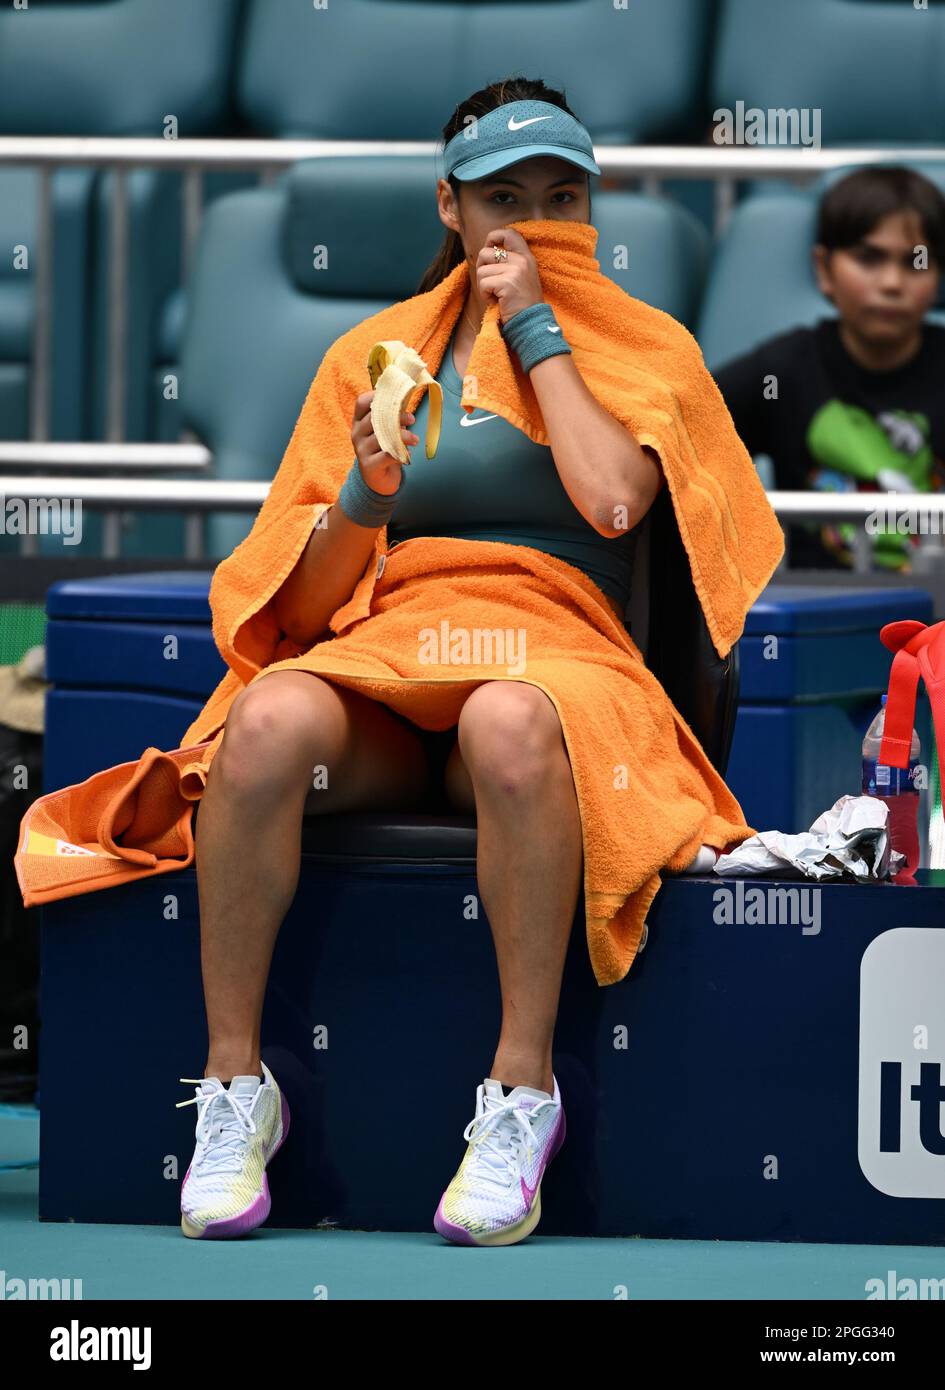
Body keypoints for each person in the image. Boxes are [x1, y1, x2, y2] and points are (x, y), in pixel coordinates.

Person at [176, 76, 742, 1248]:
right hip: (395, 650)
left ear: (592, 205)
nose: (531, 221)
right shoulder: (367, 357)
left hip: (557, 650)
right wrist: (367, 490)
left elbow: (611, 501)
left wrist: (536, 327)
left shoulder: (647, 348)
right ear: (450, 205)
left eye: (561, 195)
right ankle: (236, 1092)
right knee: (268, 720)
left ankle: (520, 1097)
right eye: (503, 199)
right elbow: (308, 605)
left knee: (507, 721)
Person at [712, 166, 945, 570]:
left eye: (914, 263)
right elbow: (681, 438)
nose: (892, 282)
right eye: (869, 258)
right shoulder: (781, 371)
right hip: (816, 619)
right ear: (824, 269)